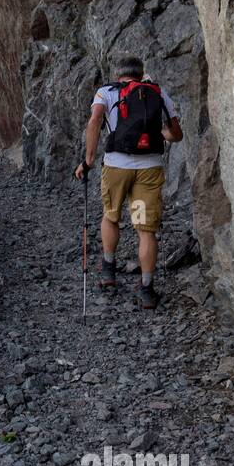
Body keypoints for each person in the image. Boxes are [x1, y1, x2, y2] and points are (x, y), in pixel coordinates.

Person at [74, 56, 183, 309]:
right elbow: (175, 134)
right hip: (149, 168)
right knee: (145, 229)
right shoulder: (158, 92)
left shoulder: (106, 92)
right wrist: (159, 134)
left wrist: (88, 161)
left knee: (111, 216)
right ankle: (146, 290)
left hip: (116, 167)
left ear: (118, 74)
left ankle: (108, 271)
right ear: (141, 73)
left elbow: (95, 121)